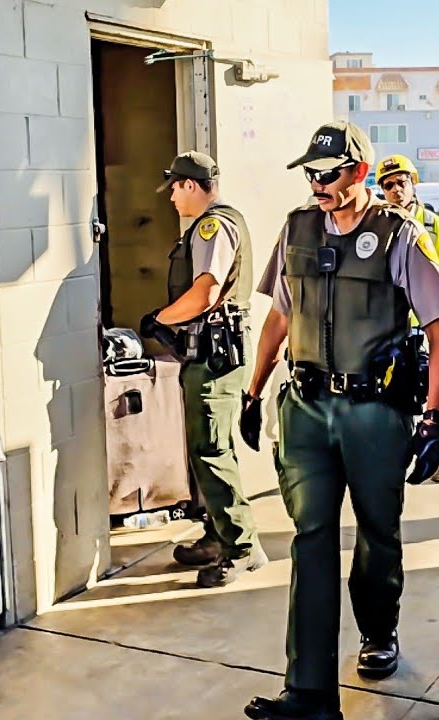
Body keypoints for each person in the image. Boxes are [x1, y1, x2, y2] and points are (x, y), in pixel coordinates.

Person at [238, 121, 439, 720]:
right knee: (311, 538)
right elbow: (279, 319)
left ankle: (378, 629)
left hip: (375, 413)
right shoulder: (296, 230)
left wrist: (433, 418)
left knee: (377, 533)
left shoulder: (398, 236)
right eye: (311, 174)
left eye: (329, 174)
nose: (318, 186)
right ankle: (308, 691)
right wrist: (254, 390)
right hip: (307, 410)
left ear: (359, 173)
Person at [139, 151, 267, 586]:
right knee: (207, 447)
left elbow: (205, 293)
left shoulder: (212, 226)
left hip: (216, 352)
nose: (172, 198)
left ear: (191, 185)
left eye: (174, 188)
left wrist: (161, 317)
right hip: (211, 351)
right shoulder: (210, 225)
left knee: (211, 449)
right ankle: (218, 534)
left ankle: (242, 547)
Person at [376, 154, 439, 482]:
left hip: (429, 330)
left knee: (432, 397)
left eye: (402, 182)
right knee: (397, 396)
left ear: (413, 184)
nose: (396, 189)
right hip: (394, 331)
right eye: (388, 185)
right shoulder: (380, 226)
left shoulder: (433, 226)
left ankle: (436, 460)